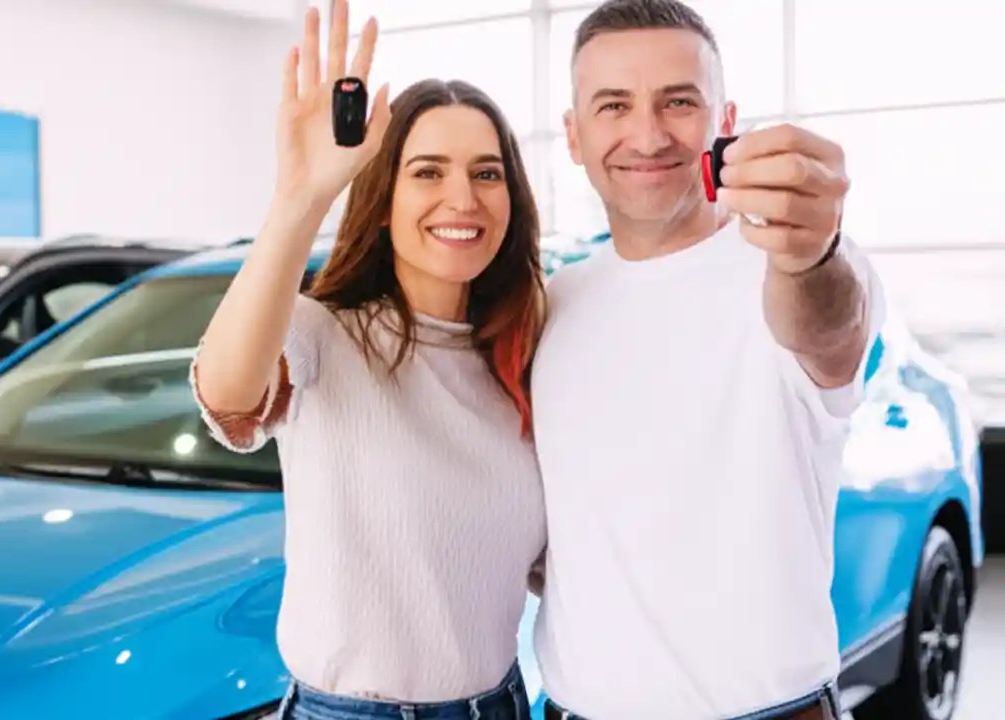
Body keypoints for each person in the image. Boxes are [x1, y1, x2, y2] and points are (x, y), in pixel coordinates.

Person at [530, 1, 887, 719]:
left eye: (679, 101)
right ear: (573, 135)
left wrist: (810, 249)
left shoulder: (787, 266)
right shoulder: (553, 307)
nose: (648, 133)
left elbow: (827, 325)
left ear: (724, 122)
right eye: (613, 106)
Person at [190, 1, 547, 718]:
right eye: (427, 172)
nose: (461, 198)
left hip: (502, 702)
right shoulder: (325, 334)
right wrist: (300, 197)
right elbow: (228, 391)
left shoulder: (524, 351)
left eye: (486, 173)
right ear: (383, 200)